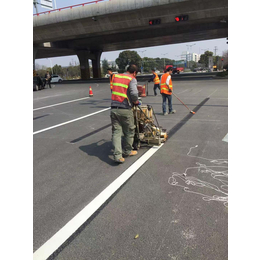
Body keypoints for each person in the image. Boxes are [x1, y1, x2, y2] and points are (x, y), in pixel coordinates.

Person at [110, 64, 140, 164]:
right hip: (125, 108)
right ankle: (127, 151)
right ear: (134, 72)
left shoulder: (116, 76)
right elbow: (134, 93)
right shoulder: (132, 78)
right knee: (130, 130)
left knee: (116, 132)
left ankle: (118, 156)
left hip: (114, 108)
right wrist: (135, 101)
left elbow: (114, 89)